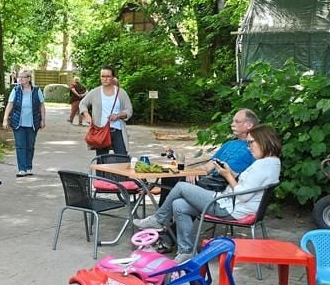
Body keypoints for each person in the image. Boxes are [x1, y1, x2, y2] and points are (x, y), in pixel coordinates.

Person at [134, 124, 282, 262]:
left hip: (231, 208)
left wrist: (227, 176)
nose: (249, 147)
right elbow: (246, 188)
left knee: (181, 186)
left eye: (251, 143)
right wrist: (229, 172)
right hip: (231, 203)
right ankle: (186, 251)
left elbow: (243, 196)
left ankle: (159, 220)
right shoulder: (270, 162)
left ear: (264, 141)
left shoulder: (263, 165)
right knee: (179, 204)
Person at [80, 65, 133, 156]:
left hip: (117, 130)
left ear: (113, 78)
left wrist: (118, 115)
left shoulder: (121, 93)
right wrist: (86, 114)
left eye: (108, 76)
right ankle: (101, 171)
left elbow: (129, 110)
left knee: (122, 158)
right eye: (103, 76)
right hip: (100, 131)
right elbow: (82, 103)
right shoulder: (95, 92)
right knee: (101, 160)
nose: (105, 79)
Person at [2, 69, 46, 176]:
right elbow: (10, 104)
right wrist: (5, 119)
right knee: (20, 145)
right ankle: (21, 169)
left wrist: (43, 119)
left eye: (22, 77)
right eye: (19, 77)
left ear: (28, 79)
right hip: (18, 122)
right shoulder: (16, 90)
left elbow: (41, 105)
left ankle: (28, 167)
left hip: (33, 122)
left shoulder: (36, 90)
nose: (20, 79)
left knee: (30, 145)